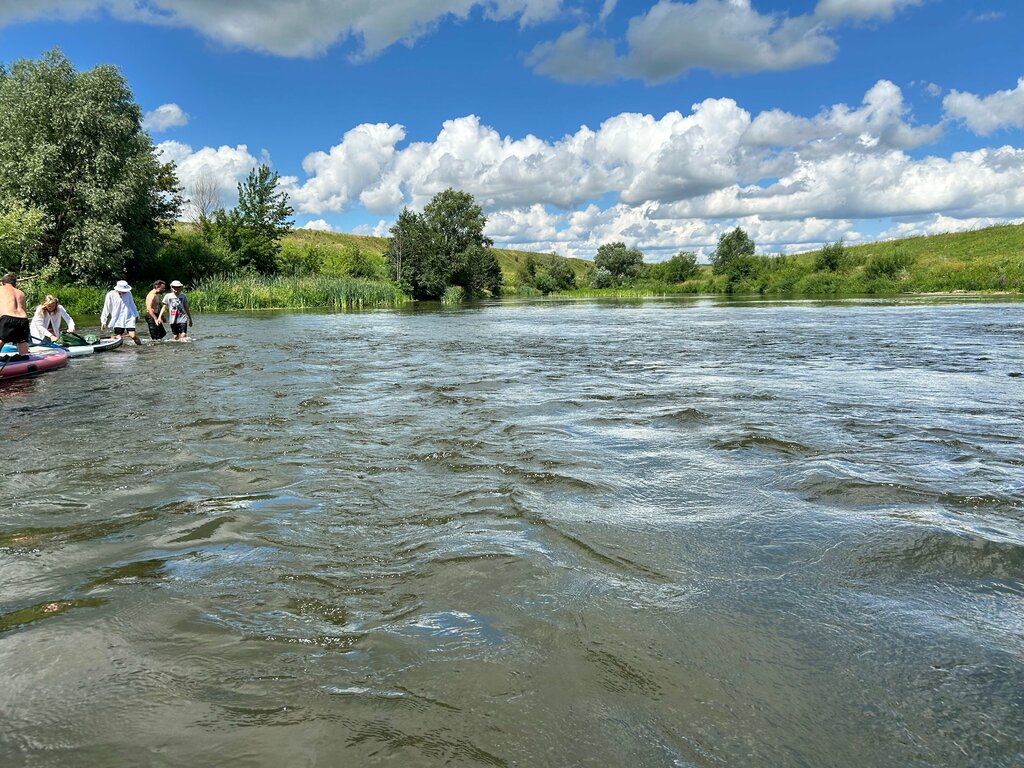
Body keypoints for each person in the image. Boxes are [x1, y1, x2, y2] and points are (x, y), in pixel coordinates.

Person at [100, 279, 142, 346]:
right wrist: (103, 321)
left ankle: (141, 346)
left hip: (129, 317)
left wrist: (136, 315)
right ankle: (119, 350)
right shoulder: (110, 295)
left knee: (133, 335)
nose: (125, 292)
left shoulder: (128, 293)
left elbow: (132, 304)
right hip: (117, 319)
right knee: (118, 337)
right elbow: (106, 308)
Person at [0, 273, 30, 358]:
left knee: (2, 339)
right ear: (15, 284)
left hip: (8, 317)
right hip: (23, 319)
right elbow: (24, 309)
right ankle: (24, 358)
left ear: (2, 283)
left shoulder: (1, 289)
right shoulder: (21, 293)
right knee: (22, 341)